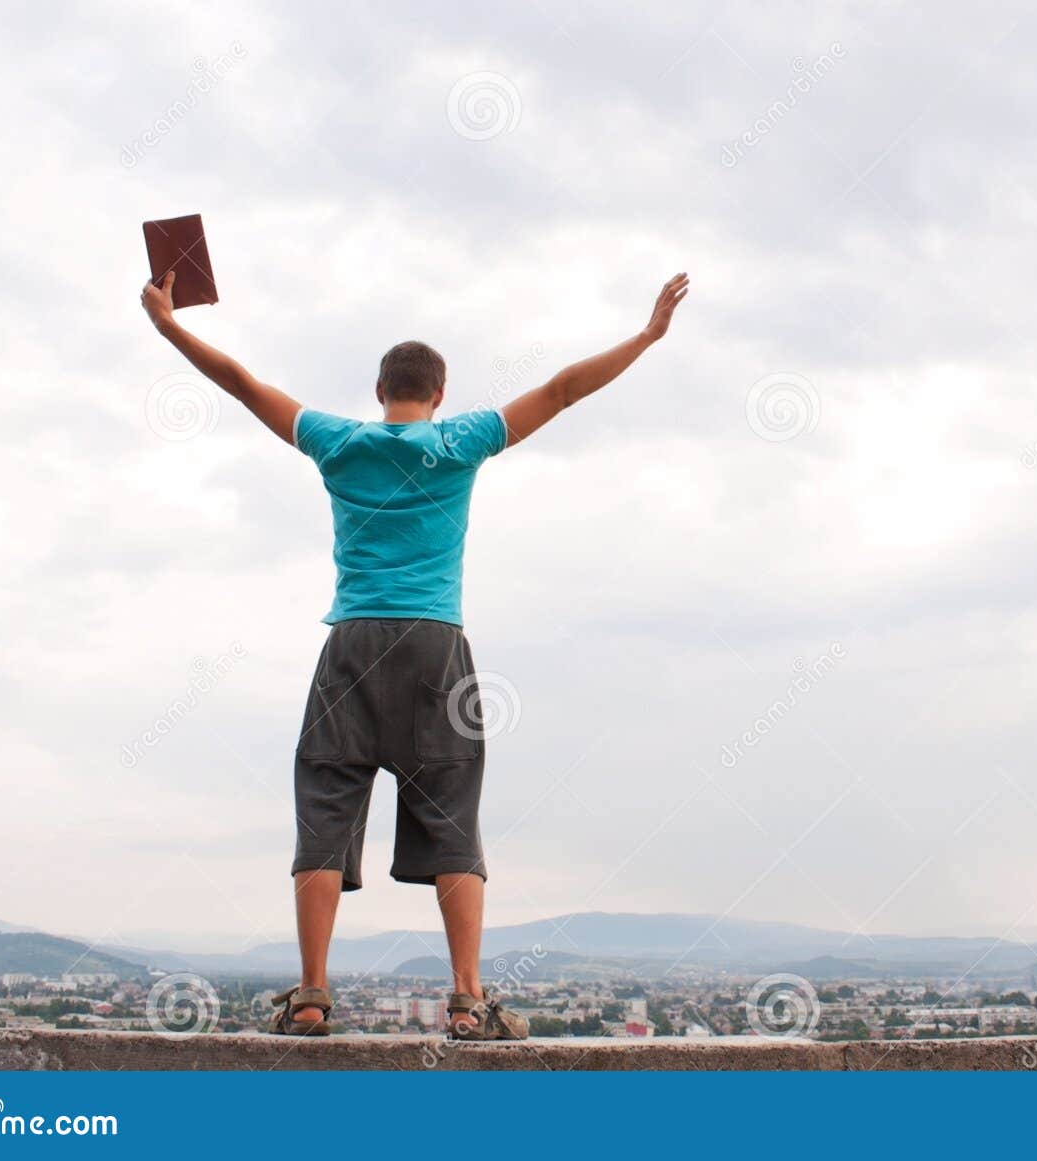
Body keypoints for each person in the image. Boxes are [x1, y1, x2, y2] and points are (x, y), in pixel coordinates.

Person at [139, 268, 689, 1038]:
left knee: (325, 811)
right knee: (454, 815)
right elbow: (563, 389)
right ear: (439, 392)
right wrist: (648, 333)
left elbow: (239, 381)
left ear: (378, 389)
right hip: (436, 645)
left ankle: (309, 996)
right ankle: (467, 1001)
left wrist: (169, 326)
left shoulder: (339, 440)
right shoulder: (460, 441)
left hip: (352, 642)